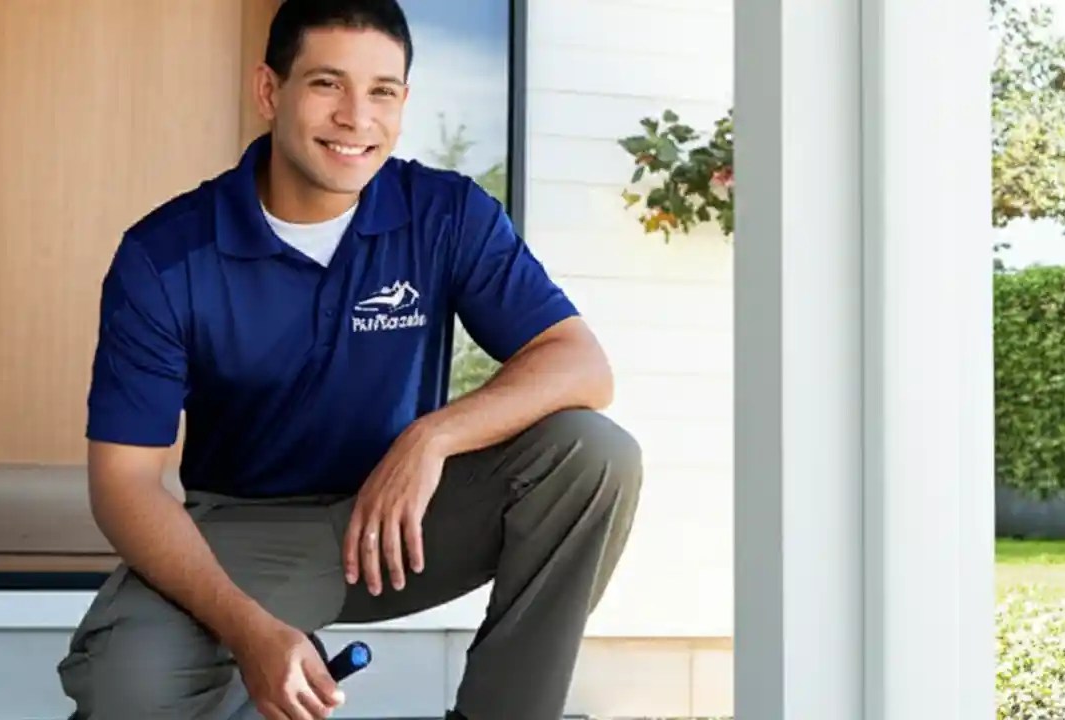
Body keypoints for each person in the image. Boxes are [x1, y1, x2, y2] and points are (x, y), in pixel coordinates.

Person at [56, 1, 642, 718]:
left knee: (592, 452)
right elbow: (124, 484)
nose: (357, 118)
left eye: (382, 92)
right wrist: (251, 633)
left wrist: (432, 437)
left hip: (405, 522)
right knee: (130, 688)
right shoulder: (166, 255)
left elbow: (581, 363)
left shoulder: (447, 212)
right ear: (271, 91)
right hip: (249, 529)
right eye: (328, 84)